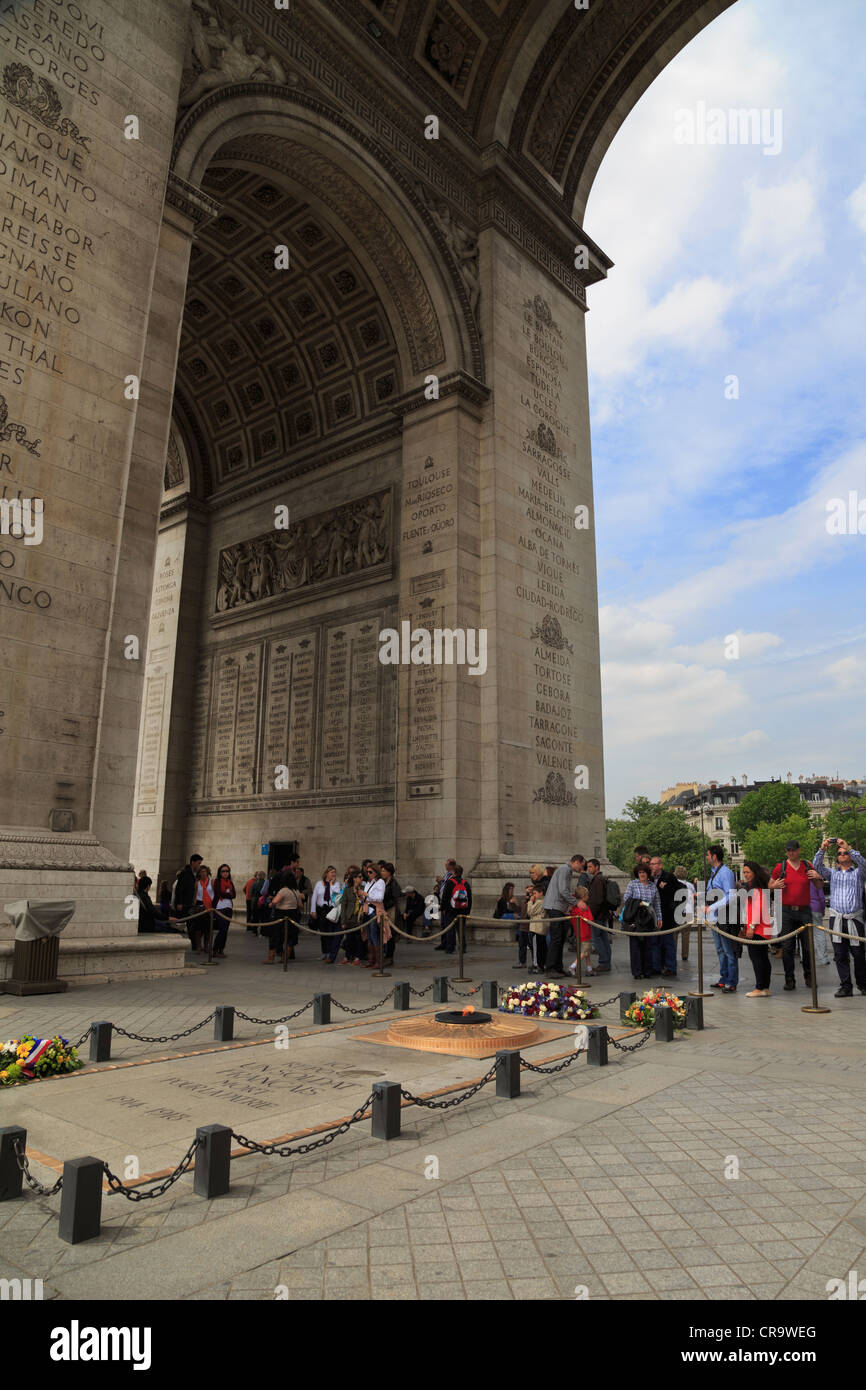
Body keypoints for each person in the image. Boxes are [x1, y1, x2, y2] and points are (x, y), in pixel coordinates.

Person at [813, 838, 866, 998]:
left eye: (845, 853)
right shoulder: (833, 873)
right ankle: (845, 986)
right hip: (836, 918)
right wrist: (822, 849)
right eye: (840, 853)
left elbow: (864, 863)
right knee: (840, 954)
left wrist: (848, 847)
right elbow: (817, 867)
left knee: (858, 954)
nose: (843, 854)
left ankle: (863, 984)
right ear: (837, 857)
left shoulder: (858, 873)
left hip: (854, 918)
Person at [768, 840, 817, 991]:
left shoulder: (807, 865)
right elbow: (769, 885)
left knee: (807, 947)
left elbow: (819, 886)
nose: (791, 852)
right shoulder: (780, 867)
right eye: (788, 850)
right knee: (787, 947)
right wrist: (774, 886)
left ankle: (809, 977)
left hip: (804, 911)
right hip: (786, 910)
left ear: (799, 850)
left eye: (793, 850)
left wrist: (817, 876)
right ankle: (789, 979)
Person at [542, 853, 582, 977]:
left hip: (558, 907)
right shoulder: (565, 870)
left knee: (560, 938)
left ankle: (558, 967)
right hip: (555, 907)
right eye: (582, 865)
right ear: (576, 862)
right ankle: (550, 968)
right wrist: (576, 903)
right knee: (556, 938)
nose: (582, 869)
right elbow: (563, 890)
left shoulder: (565, 870)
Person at [739, 861, 775, 997]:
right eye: (744, 872)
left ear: (755, 872)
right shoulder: (759, 886)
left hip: (757, 928)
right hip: (762, 927)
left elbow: (757, 908)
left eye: (748, 872)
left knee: (757, 958)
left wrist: (751, 926)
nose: (746, 875)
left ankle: (760, 987)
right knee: (763, 958)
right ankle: (765, 987)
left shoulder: (756, 888)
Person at [705, 845, 738, 992]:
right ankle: (724, 978)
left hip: (724, 915)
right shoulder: (713, 873)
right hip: (714, 916)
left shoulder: (725, 873)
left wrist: (712, 907)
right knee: (719, 949)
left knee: (728, 950)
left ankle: (731, 981)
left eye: (708, 855)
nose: (707, 858)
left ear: (714, 856)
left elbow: (731, 895)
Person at [623, 862, 662, 979]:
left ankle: (647, 970)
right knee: (635, 946)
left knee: (648, 946)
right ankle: (637, 971)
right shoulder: (632, 884)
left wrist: (659, 918)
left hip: (648, 918)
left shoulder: (652, 886)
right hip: (636, 917)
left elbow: (656, 904)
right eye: (639, 872)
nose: (642, 875)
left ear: (647, 873)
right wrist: (639, 903)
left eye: (644, 872)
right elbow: (626, 899)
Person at [649, 855, 680, 978]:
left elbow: (676, 892)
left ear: (660, 865)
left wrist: (665, 887)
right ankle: (656, 966)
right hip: (654, 915)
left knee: (668, 942)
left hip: (667, 915)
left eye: (654, 864)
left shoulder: (669, 877)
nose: (652, 866)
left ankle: (671, 967)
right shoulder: (650, 878)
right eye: (651, 864)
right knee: (655, 942)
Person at [263, 871, 301, 964]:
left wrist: (270, 904)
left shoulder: (284, 890)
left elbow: (275, 902)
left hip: (281, 915)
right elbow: (300, 905)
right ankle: (285, 958)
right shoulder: (296, 891)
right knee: (290, 937)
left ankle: (271, 958)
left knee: (275, 936)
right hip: (293, 915)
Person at [586, 859, 613, 973]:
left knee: (597, 939)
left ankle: (603, 962)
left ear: (597, 867)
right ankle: (606, 962)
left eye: (590, 866)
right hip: (602, 914)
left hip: (597, 915)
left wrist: (590, 915)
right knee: (603, 938)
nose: (588, 869)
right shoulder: (601, 879)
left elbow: (597, 900)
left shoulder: (597, 880)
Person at [174, 853, 203, 950]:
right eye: (198, 863)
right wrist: (179, 903)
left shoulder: (191, 874)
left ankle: (194, 945)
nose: (199, 866)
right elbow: (180, 889)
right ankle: (194, 945)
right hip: (184, 904)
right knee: (188, 924)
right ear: (193, 862)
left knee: (192, 924)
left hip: (188, 904)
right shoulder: (185, 873)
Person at [339, 867, 366, 965]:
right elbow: (343, 906)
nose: (361, 878)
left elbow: (366, 901)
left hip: (360, 917)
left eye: (361, 877)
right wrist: (343, 921)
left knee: (359, 938)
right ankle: (347, 956)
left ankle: (358, 957)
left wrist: (361, 896)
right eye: (359, 877)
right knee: (349, 938)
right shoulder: (347, 890)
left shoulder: (363, 889)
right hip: (350, 917)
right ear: (354, 878)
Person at [311, 866, 338, 962]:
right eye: (331, 872)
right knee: (323, 932)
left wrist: (331, 885)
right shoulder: (319, 884)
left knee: (330, 932)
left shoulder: (336, 884)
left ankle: (330, 952)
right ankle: (324, 952)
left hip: (330, 909)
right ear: (326, 873)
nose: (333, 874)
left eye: (334, 872)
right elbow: (314, 897)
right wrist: (313, 910)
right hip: (321, 910)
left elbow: (335, 896)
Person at [363, 865, 386, 969]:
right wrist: (362, 896)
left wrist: (367, 896)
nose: (368, 874)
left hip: (374, 911)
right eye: (367, 872)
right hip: (367, 910)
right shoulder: (369, 882)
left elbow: (380, 898)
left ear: (376, 872)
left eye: (370, 872)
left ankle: (378, 961)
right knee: (369, 936)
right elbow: (365, 897)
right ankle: (371, 959)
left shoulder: (380, 882)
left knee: (374, 935)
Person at [568, 886, 595, 976]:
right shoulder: (584, 907)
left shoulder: (574, 907)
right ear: (583, 896)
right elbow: (590, 919)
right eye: (587, 895)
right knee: (585, 950)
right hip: (585, 931)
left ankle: (589, 968)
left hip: (578, 931)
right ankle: (573, 965)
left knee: (586, 951)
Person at [809, 869, 833, 967]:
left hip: (804, 909)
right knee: (820, 934)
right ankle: (823, 958)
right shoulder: (816, 881)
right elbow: (822, 898)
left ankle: (804, 957)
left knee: (805, 934)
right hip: (816, 908)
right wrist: (822, 911)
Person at [434, 858, 458, 953]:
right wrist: (440, 882)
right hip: (443, 902)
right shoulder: (447, 874)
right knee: (443, 924)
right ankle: (444, 943)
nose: (445, 866)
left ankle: (450, 945)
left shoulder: (453, 875)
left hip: (448, 904)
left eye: (446, 864)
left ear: (451, 865)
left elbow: (449, 888)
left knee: (448, 925)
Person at [212, 864, 236, 957]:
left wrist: (226, 894)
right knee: (222, 929)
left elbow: (234, 895)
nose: (225, 873)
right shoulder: (217, 881)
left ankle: (221, 949)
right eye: (223, 871)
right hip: (219, 907)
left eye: (227, 871)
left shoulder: (230, 882)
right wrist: (228, 894)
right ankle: (215, 950)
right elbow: (219, 893)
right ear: (220, 872)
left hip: (228, 908)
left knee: (225, 930)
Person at [674, 865, 694, 960]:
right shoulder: (690, 885)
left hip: (676, 911)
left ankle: (672, 953)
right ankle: (685, 954)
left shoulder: (673, 884)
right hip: (688, 911)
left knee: (674, 934)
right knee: (686, 935)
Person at [194, 864, 215, 953]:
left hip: (209, 905)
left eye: (204, 871)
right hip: (199, 905)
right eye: (201, 872)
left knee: (208, 928)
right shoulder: (197, 883)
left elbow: (214, 893)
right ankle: (199, 946)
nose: (203, 873)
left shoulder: (212, 882)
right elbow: (195, 896)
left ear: (207, 872)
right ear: (199, 874)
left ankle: (206, 946)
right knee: (198, 928)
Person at [527, 883, 547, 969]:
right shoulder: (544, 901)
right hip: (540, 927)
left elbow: (530, 911)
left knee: (536, 948)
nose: (533, 895)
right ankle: (541, 964)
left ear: (541, 893)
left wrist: (530, 902)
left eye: (535, 893)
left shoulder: (539, 902)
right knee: (540, 947)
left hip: (536, 928)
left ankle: (537, 964)